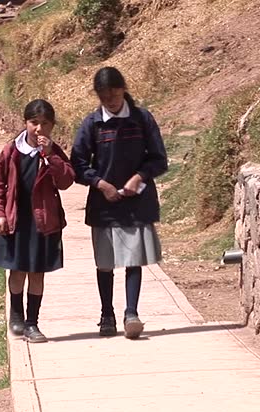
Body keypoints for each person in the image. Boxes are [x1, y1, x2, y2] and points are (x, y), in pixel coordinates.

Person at [71, 67, 168, 339]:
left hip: (136, 201)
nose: (111, 101)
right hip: (104, 203)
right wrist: (100, 184)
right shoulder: (92, 124)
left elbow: (159, 158)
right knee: (105, 262)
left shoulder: (141, 119)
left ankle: (131, 313)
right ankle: (106, 315)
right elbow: (77, 163)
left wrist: (139, 177)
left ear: (124, 89)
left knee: (133, 258)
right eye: (104, 97)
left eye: (114, 94)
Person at [0, 99, 75, 343]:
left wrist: (50, 157)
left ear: (52, 126)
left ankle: (32, 323)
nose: (38, 129)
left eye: (44, 124)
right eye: (33, 123)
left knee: (37, 273)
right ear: (25, 123)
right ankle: (16, 315)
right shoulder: (11, 151)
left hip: (43, 221)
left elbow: (66, 181)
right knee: (17, 271)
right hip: (17, 219)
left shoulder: (53, 152)